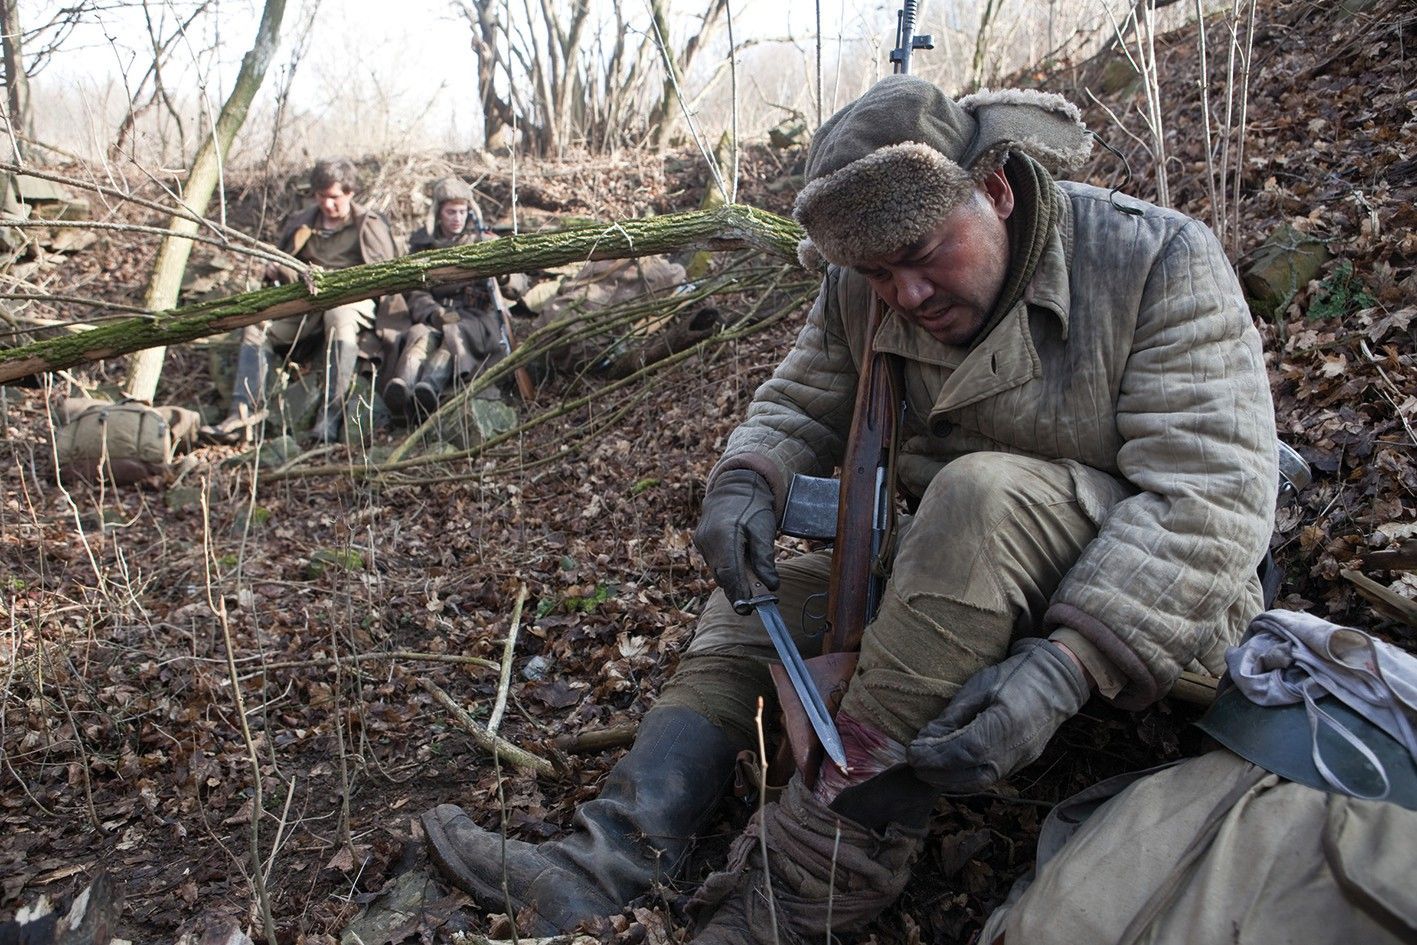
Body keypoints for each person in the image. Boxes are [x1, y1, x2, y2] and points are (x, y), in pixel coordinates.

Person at [421, 75, 1280, 942]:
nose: (903, 295)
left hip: (1137, 609)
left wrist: (1069, 662)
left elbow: (1209, 496)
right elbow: (802, 397)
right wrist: (745, 480)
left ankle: (804, 890)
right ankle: (611, 857)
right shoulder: (862, 286)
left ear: (995, 188)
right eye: (876, 271)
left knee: (977, 492)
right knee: (765, 601)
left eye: (923, 253)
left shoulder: (1152, 259)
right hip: (952, 575)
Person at [210, 157, 399, 443]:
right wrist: (277, 269)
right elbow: (285, 264)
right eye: (321, 197)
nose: (327, 204)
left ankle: (330, 416)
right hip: (306, 301)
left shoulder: (367, 225)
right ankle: (242, 414)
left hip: (353, 299)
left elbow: (387, 274)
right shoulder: (302, 222)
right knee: (256, 327)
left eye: (334, 197)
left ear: (349, 193)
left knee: (338, 316)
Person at [379, 177, 523, 415]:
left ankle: (428, 388)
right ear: (438, 213)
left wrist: (505, 276)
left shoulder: (485, 241)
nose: (457, 218)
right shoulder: (423, 246)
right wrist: (433, 313)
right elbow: (415, 291)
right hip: (439, 314)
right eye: (450, 212)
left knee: (454, 334)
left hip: (477, 318)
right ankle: (403, 386)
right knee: (418, 335)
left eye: (462, 211)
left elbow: (519, 285)